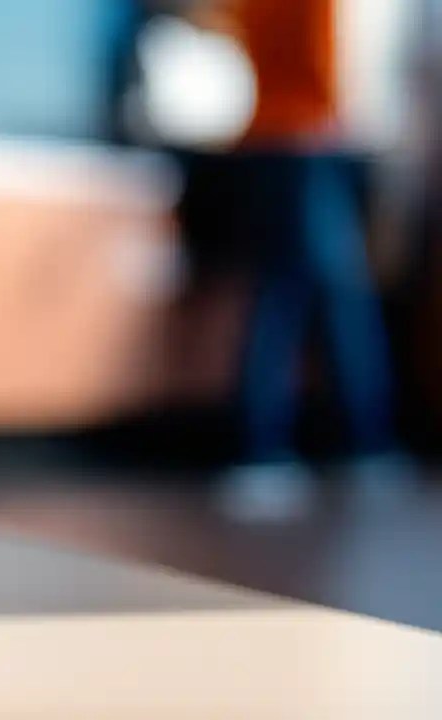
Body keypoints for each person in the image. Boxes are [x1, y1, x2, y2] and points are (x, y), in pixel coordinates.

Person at [211, 0, 416, 518]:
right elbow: (327, 62)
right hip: (310, 140)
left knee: (302, 295)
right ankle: (271, 452)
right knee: (305, 296)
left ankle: (341, 446)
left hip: (271, 141)